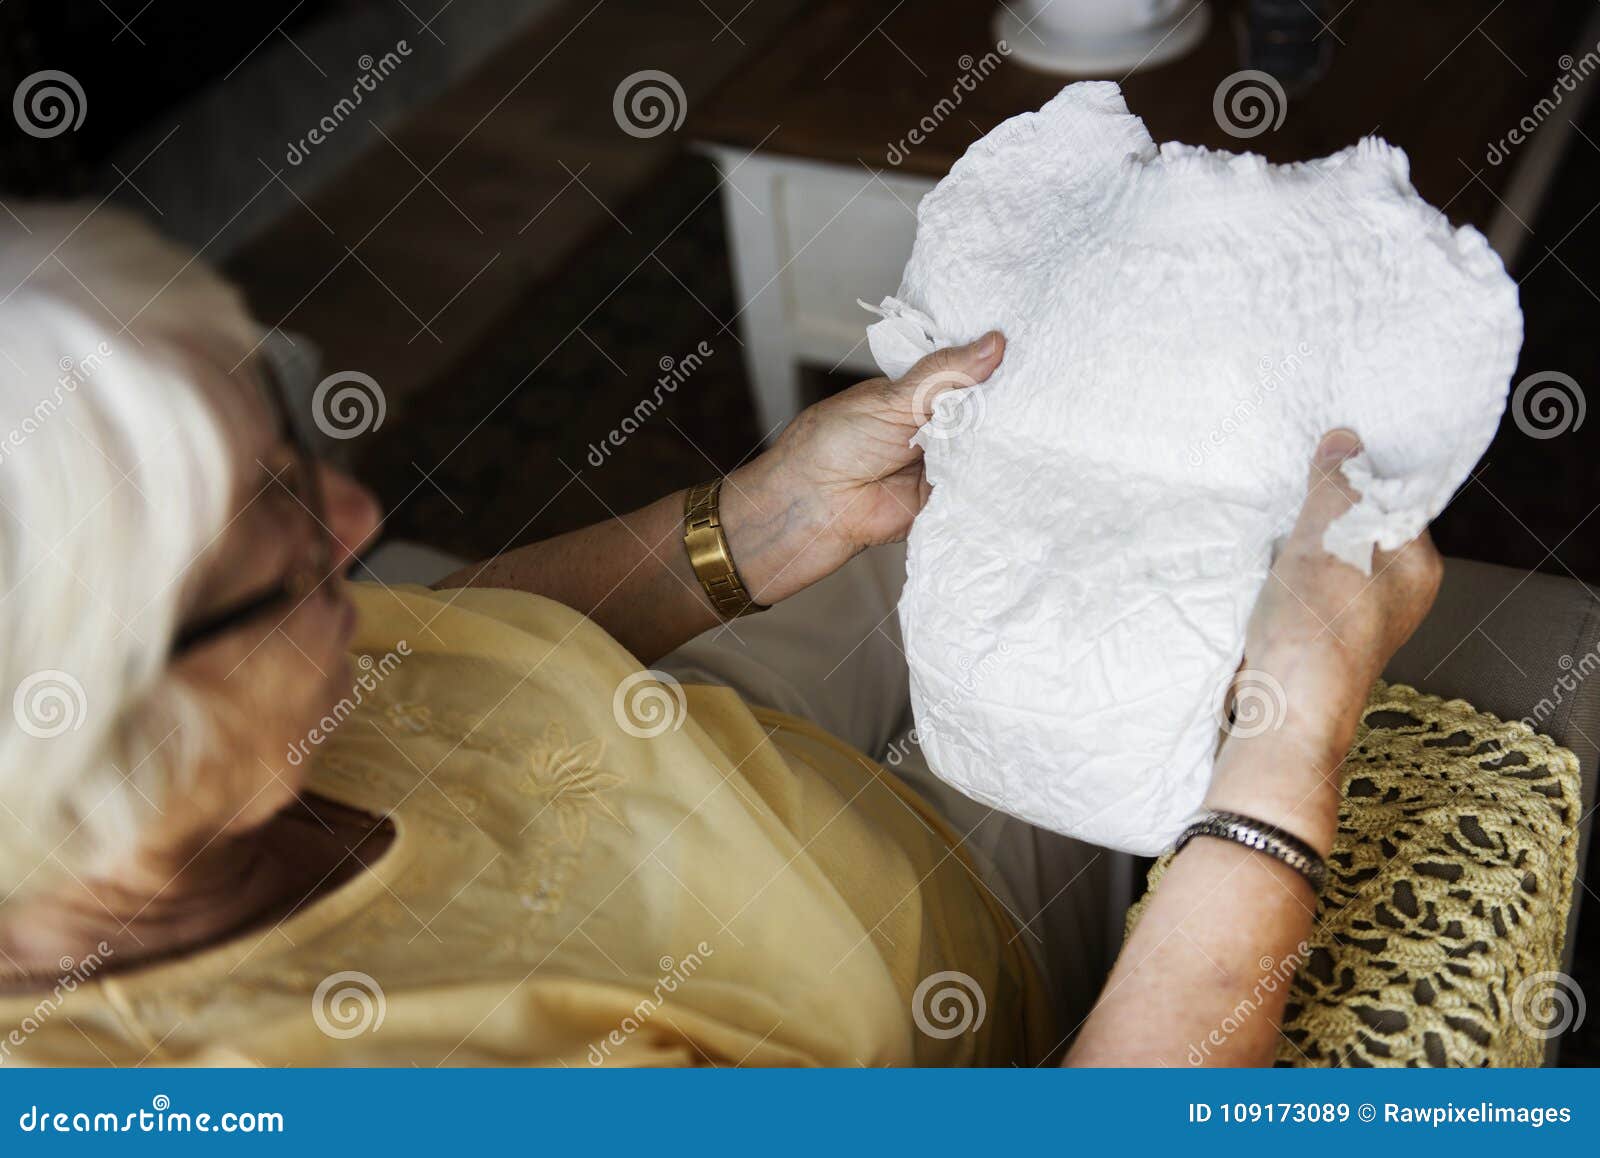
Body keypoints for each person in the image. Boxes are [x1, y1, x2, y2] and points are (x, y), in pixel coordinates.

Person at [0, 206, 1438, 1066]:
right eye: (285, 536)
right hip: (954, 978)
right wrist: (1287, 751)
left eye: (292, 446)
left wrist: (756, 523)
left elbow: (419, 651)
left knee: (1029, 481)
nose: (363, 515)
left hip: (702, 725)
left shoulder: (180, 706)